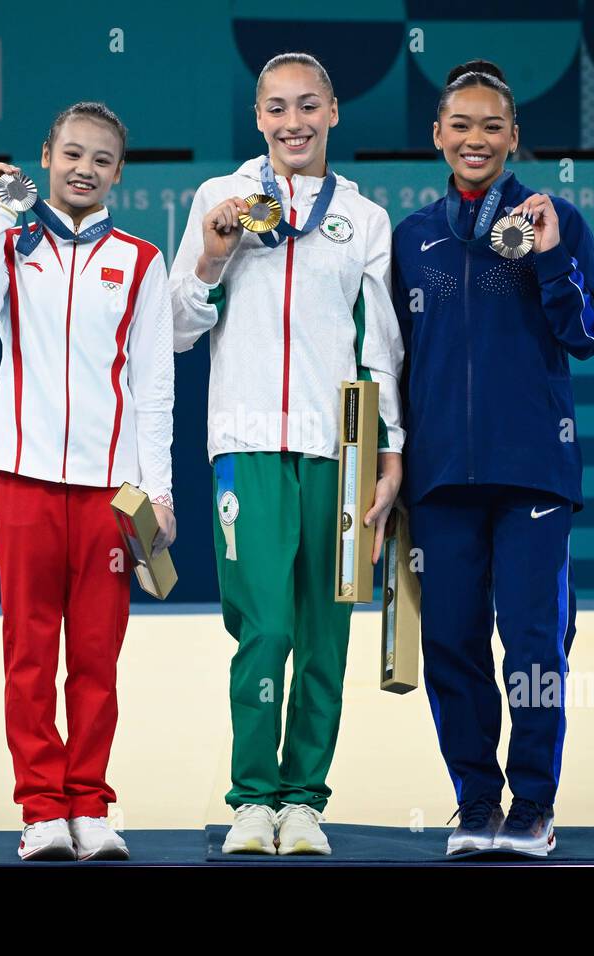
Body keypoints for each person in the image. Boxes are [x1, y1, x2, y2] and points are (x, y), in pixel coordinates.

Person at [169, 53, 404, 855]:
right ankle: (250, 799)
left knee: (325, 632)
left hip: (337, 449)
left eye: (308, 106)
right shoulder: (218, 201)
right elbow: (174, 327)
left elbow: (381, 348)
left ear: (334, 111)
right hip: (244, 444)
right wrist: (212, 255)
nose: (293, 122)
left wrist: (389, 452)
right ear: (257, 116)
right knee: (263, 629)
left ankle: (303, 799)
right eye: (276, 108)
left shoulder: (363, 218)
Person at [391, 60, 594, 857]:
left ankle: (534, 806)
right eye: (462, 124)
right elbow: (394, 358)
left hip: (535, 477)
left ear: (515, 137)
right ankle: (477, 803)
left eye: (493, 125)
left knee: (532, 643)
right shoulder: (411, 237)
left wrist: (552, 258)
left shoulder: (558, 219)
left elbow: (589, 335)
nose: (476, 138)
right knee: (451, 642)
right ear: (438, 136)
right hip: (442, 476)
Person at [0, 101, 175, 862]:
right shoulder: (14, 242)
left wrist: (160, 491)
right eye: (71, 153)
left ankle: (90, 804)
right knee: (29, 651)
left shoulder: (142, 260)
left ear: (119, 172)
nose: (84, 168)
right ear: (46, 154)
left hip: (111, 490)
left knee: (97, 655)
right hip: (20, 476)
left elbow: (153, 385)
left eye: (102, 159)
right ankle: (41, 807)